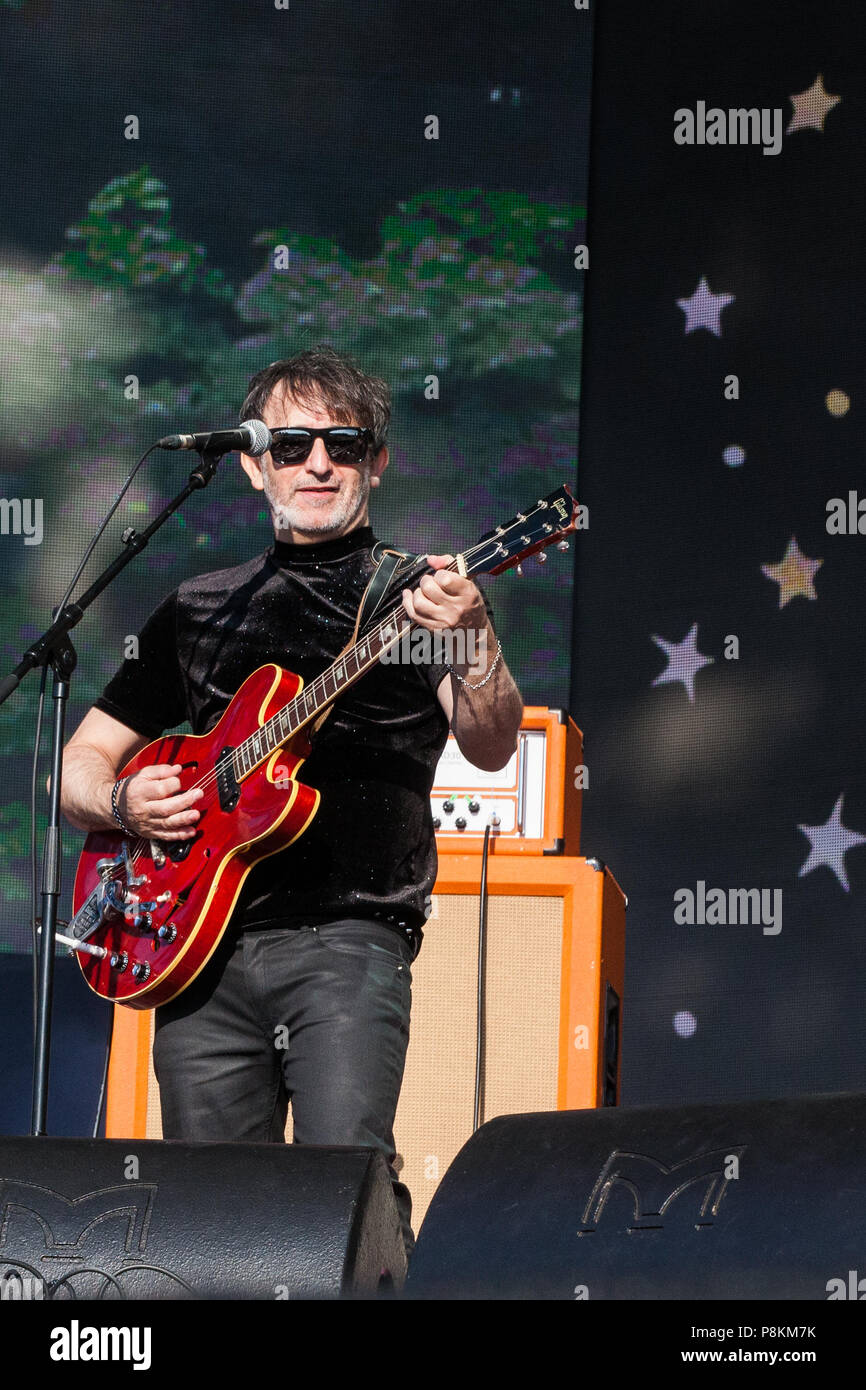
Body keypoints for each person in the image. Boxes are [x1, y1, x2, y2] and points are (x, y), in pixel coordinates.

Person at [60, 345, 523, 1257]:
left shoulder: (414, 596)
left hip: (349, 939)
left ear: (376, 462)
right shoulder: (199, 608)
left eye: (344, 444)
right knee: (204, 1211)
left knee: (341, 1186)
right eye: (293, 443)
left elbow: (491, 739)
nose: (318, 463)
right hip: (195, 949)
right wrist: (122, 800)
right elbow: (80, 763)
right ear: (251, 464)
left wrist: (476, 644)